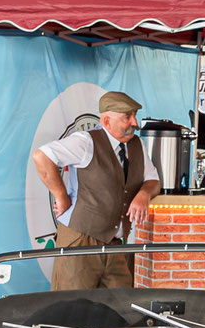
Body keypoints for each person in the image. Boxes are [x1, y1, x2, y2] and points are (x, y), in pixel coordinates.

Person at [31, 90, 161, 289]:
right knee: (72, 309)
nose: (135, 122)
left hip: (115, 243)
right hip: (80, 240)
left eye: (134, 115)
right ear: (107, 121)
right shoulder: (85, 141)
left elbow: (153, 180)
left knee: (121, 309)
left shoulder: (137, 145)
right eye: (127, 116)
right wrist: (61, 196)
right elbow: (42, 157)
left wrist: (144, 194)